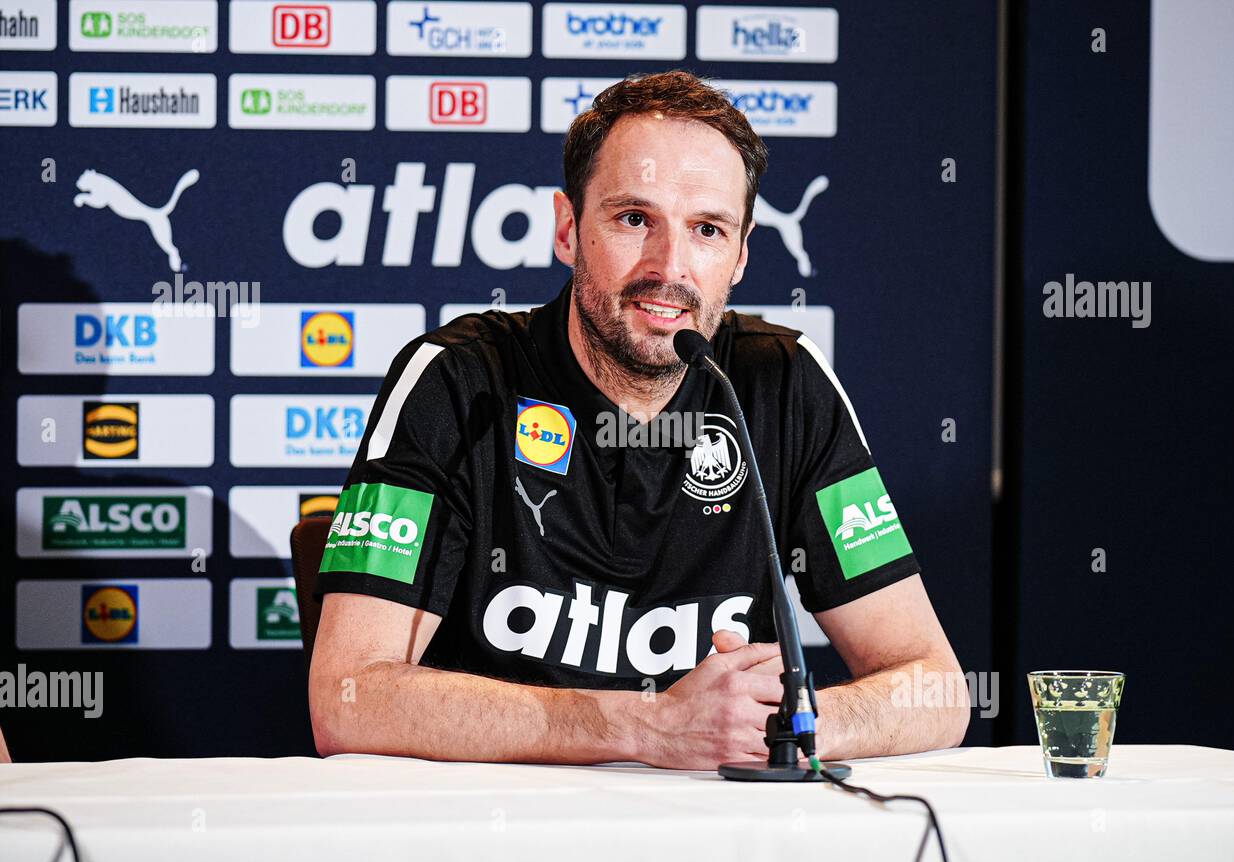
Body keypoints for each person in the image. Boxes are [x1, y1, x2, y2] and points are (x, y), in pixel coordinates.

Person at [309, 70, 969, 771]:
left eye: (707, 230)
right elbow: (346, 699)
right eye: (633, 219)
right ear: (568, 229)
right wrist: (645, 728)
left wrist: (788, 722)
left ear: (741, 255)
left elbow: (936, 688)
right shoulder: (457, 382)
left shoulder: (784, 385)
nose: (669, 268)